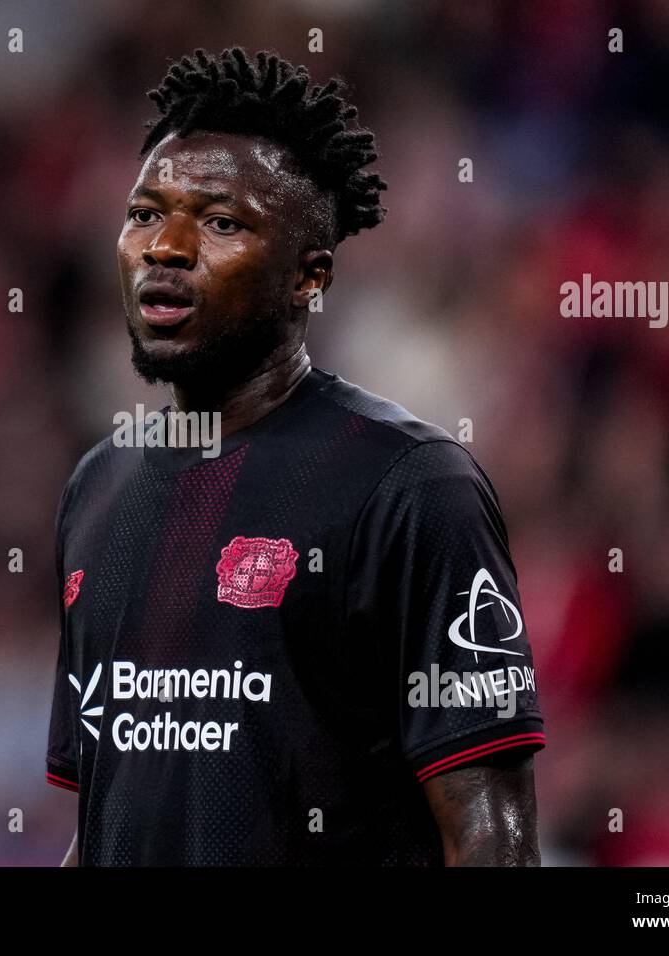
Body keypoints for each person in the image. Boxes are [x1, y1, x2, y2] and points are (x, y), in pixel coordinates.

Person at [46, 47, 544, 865]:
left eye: (221, 222)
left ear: (309, 279)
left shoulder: (412, 489)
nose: (165, 247)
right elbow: (106, 825)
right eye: (144, 213)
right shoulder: (99, 489)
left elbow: (492, 840)